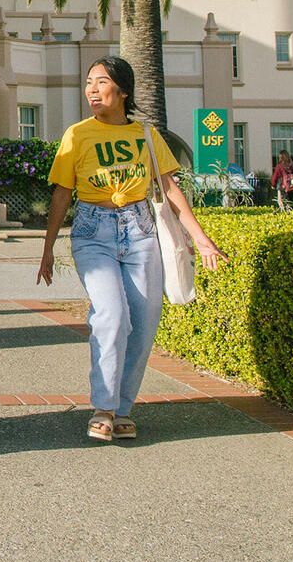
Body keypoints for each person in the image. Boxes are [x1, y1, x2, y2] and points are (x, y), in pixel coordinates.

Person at [38, 57, 227, 441]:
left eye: (101, 82)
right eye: (88, 82)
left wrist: (200, 237)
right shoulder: (77, 134)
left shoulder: (145, 134)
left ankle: (123, 409)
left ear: (122, 91)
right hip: (93, 231)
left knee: (142, 323)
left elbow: (170, 188)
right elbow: (62, 194)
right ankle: (103, 407)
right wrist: (47, 249)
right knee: (111, 315)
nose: (91, 89)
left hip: (139, 230)